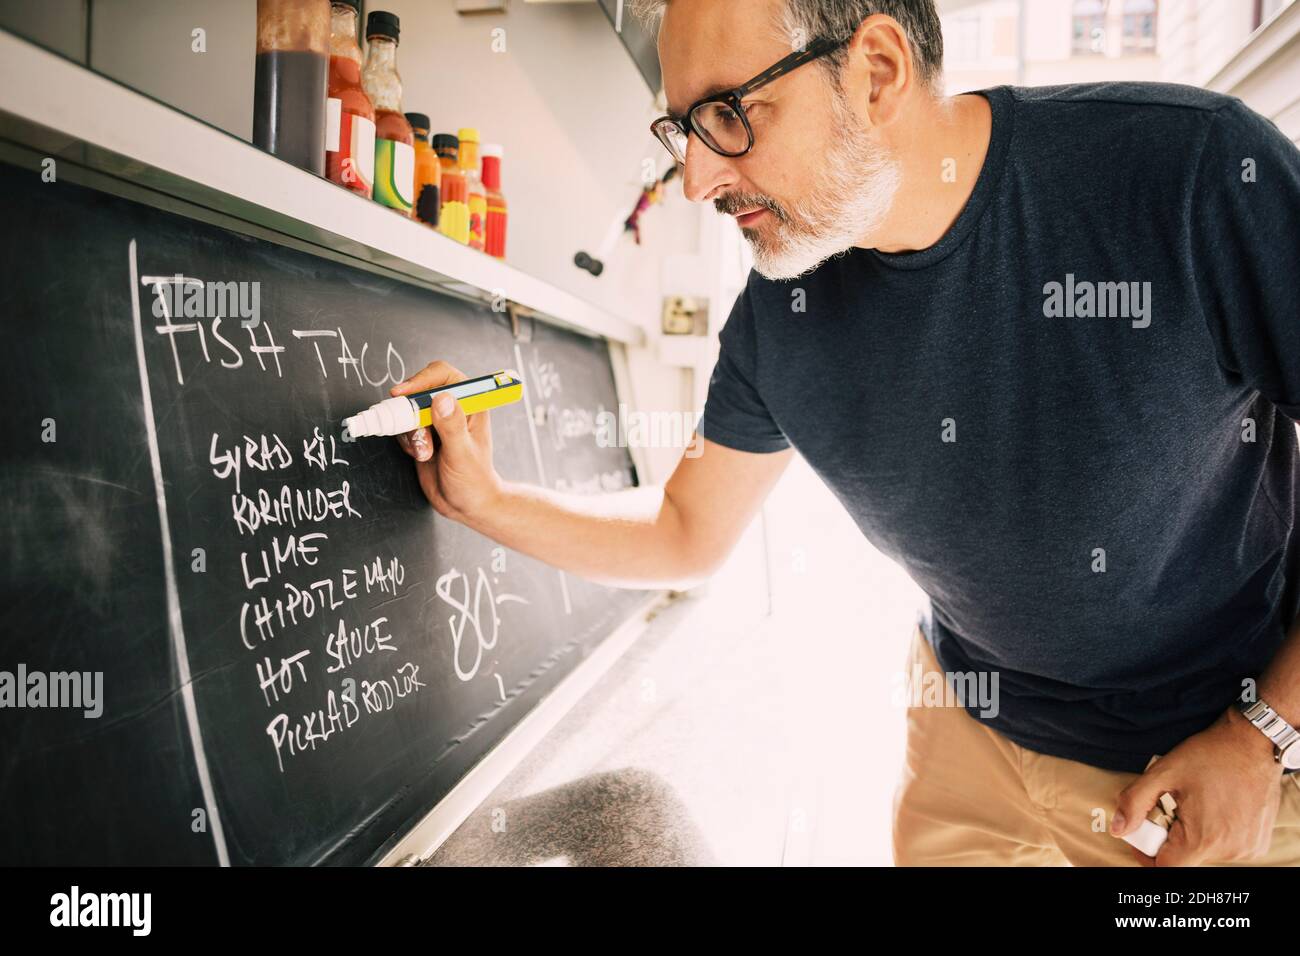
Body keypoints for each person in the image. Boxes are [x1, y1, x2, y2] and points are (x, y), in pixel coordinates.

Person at [393, 0, 1300, 866]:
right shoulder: (778, 315)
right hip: (963, 728)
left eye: (726, 116)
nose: (698, 179)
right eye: (681, 132)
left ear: (875, 71)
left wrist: (1265, 738)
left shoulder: (1192, 173)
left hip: (1205, 760)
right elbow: (684, 533)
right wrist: (489, 500)